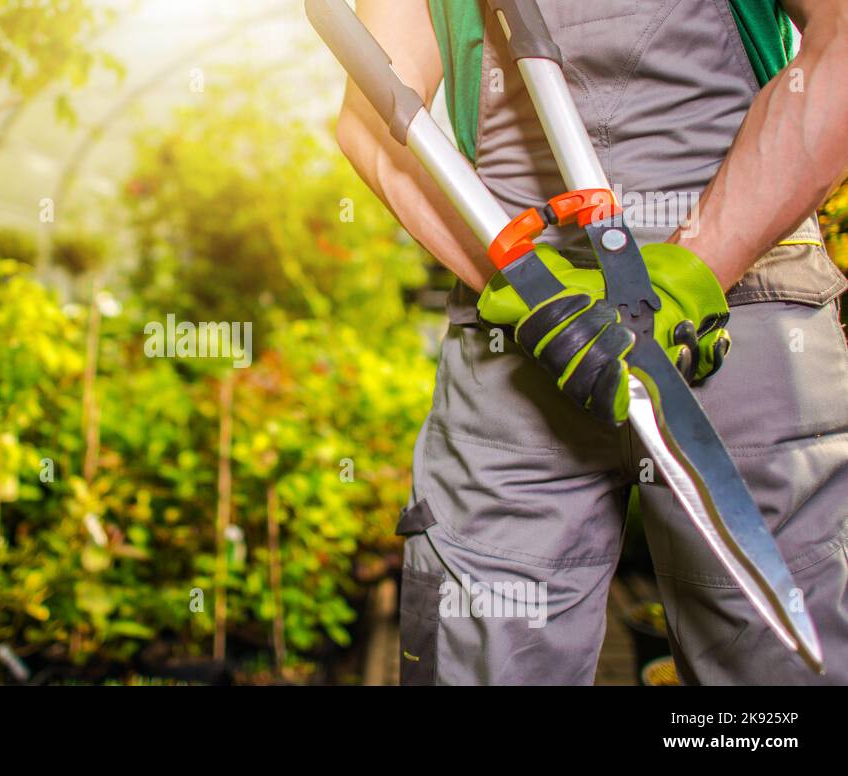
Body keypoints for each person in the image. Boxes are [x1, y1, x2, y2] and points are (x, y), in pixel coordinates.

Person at [335, 0, 848, 684]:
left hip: (720, 326)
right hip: (535, 341)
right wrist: (538, 292)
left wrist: (684, 272)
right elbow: (376, 120)